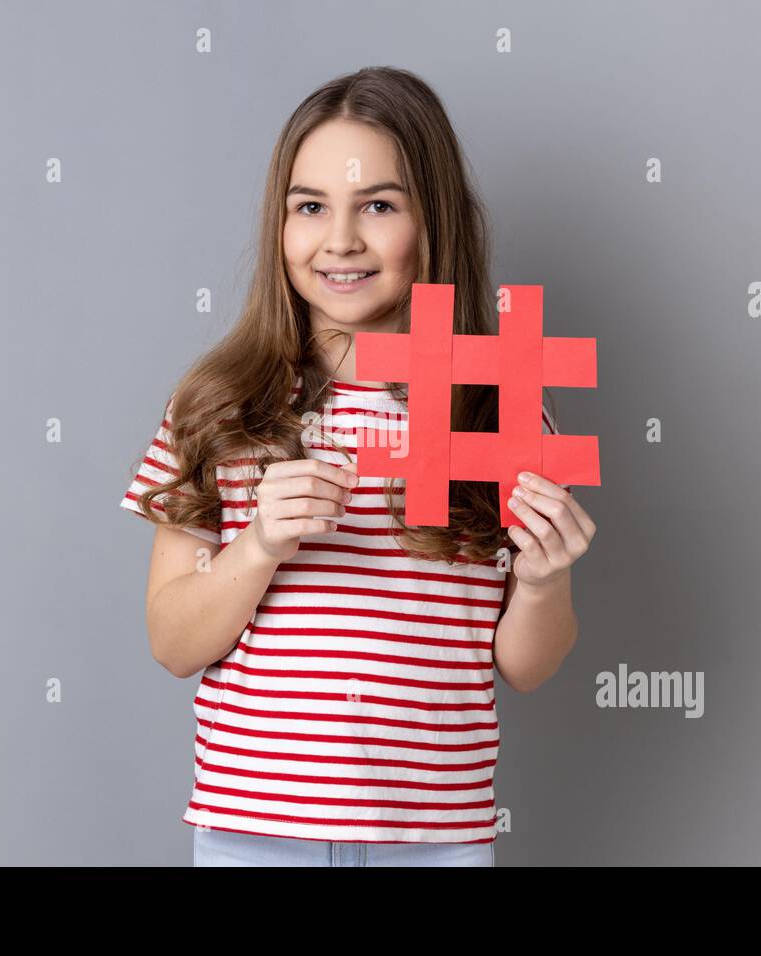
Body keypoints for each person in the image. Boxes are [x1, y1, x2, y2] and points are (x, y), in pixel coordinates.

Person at [120, 66, 596, 866]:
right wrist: (259, 545)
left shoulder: (498, 405)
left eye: (378, 205)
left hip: (436, 839)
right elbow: (173, 643)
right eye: (310, 207)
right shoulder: (221, 404)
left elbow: (525, 666)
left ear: (434, 221)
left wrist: (546, 583)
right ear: (280, 224)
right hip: (256, 835)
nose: (340, 240)